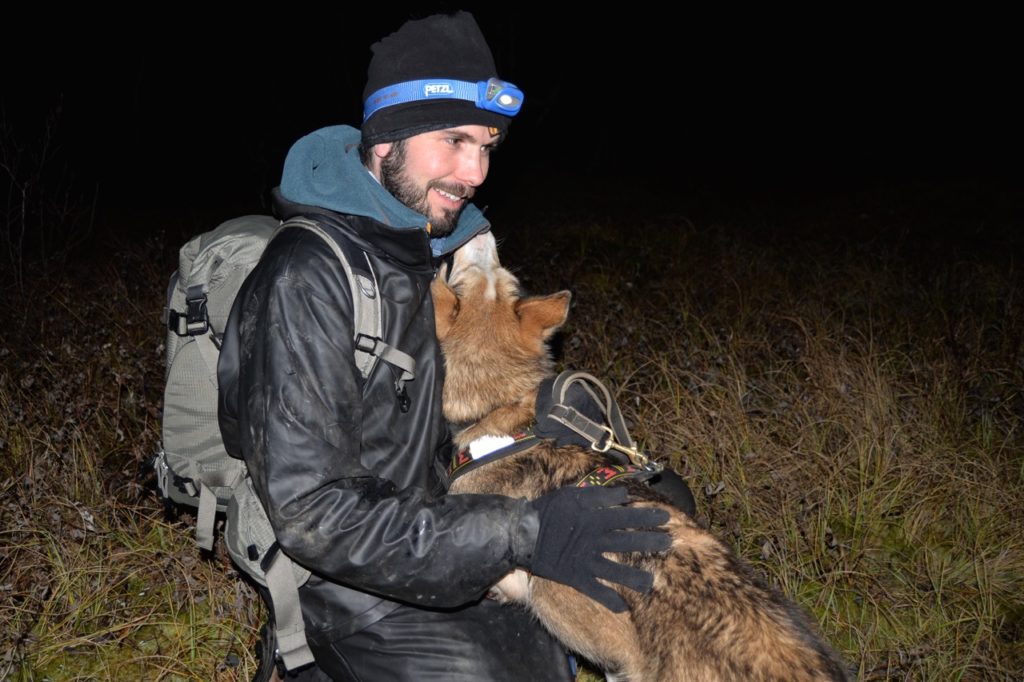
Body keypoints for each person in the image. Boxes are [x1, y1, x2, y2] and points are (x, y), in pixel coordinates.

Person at [218, 11, 671, 681]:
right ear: (385, 140)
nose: (477, 170)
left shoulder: (428, 245)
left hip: (436, 530)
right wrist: (524, 534)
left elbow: (437, 426)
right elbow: (314, 515)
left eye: (487, 146)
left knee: (644, 545)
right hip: (345, 583)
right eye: (454, 139)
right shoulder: (307, 276)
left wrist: (545, 436)